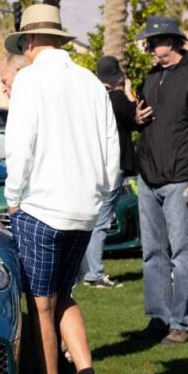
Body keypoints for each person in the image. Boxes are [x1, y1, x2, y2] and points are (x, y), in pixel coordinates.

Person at [3, 3, 120, 374]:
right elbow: (111, 150)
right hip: (84, 207)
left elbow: (21, 145)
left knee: (42, 304)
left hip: (41, 206)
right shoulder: (90, 81)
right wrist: (101, 190)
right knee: (63, 294)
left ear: (30, 42)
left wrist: (13, 197)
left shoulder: (31, 80)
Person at [133, 16, 188, 344]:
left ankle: (180, 323)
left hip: (181, 179)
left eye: (153, 43)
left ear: (171, 42)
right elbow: (141, 118)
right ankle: (158, 318)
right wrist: (137, 119)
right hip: (148, 179)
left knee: (181, 252)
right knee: (152, 252)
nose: (150, 48)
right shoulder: (151, 78)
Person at [79, 55, 139, 289]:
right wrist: (129, 91)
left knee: (95, 217)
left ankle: (88, 269)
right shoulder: (115, 98)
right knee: (103, 220)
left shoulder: (91, 98)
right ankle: (94, 272)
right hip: (114, 163)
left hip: (95, 164)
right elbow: (136, 118)